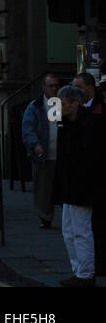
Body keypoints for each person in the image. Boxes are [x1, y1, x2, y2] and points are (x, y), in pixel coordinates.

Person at [51, 84, 99, 286]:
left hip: (81, 186)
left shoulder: (88, 124)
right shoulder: (68, 123)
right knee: (68, 230)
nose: (59, 107)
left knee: (81, 230)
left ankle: (86, 274)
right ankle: (78, 270)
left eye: (63, 103)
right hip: (69, 184)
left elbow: (88, 159)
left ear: (75, 104)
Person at [73, 72, 106, 275]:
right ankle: (85, 265)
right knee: (77, 228)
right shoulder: (69, 108)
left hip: (97, 173)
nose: (75, 91)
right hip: (78, 173)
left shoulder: (100, 108)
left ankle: (97, 265)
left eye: (78, 87)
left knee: (97, 224)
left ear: (90, 88)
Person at [22, 73, 61, 228]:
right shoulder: (35, 106)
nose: (54, 88)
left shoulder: (63, 102)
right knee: (42, 188)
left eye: (56, 85)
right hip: (43, 154)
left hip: (60, 152)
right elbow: (27, 129)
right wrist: (35, 144)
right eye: (50, 85)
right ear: (43, 87)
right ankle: (45, 216)